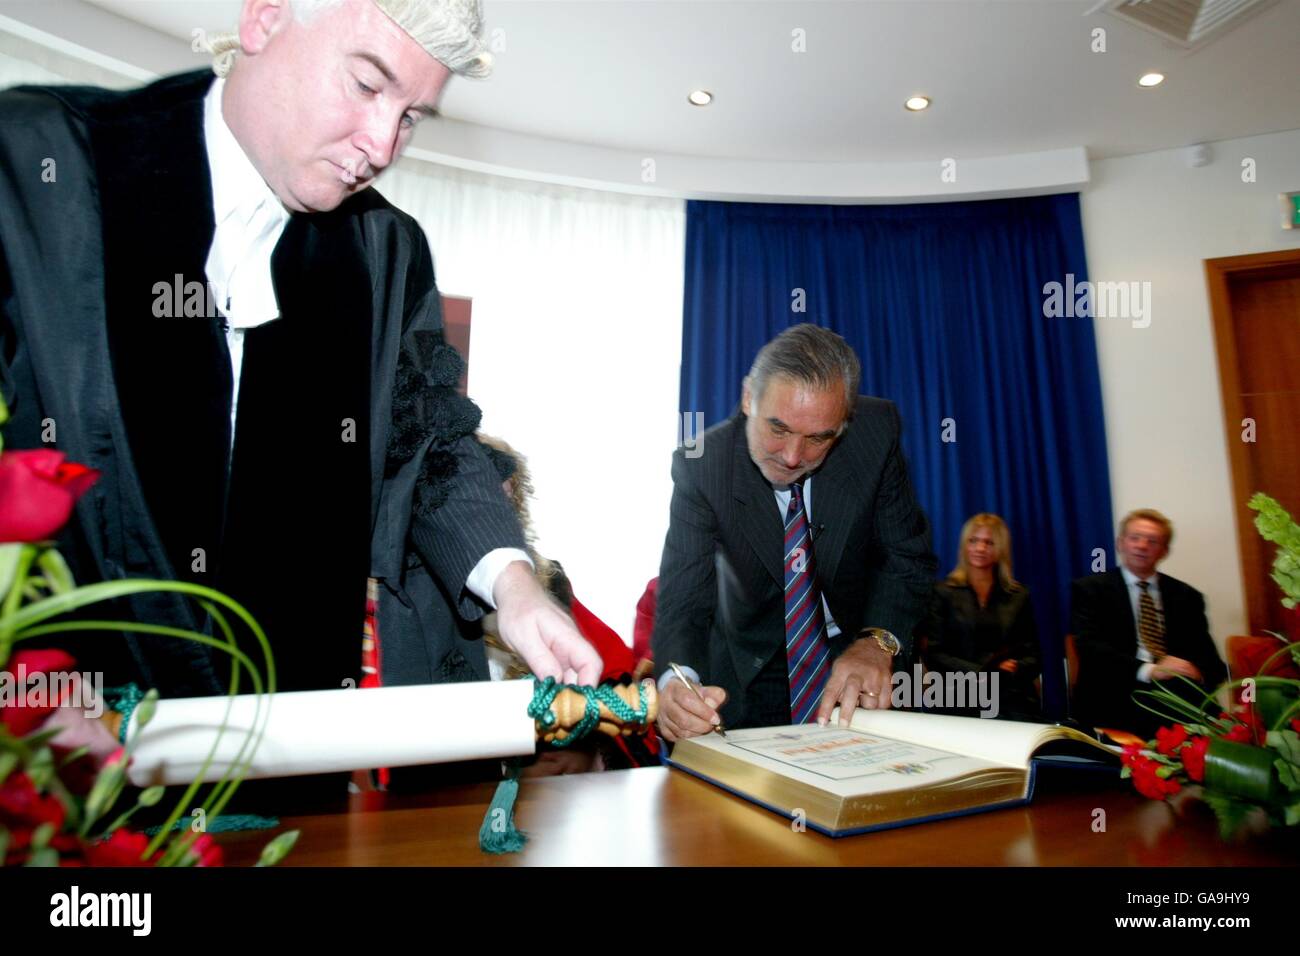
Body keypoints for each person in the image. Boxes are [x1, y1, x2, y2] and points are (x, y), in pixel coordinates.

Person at [0, 0, 599, 721]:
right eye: (368, 85)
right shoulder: (39, 166)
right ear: (264, 18)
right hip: (54, 761)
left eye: (410, 116)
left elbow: (431, 447)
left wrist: (515, 588)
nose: (381, 145)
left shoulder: (385, 252)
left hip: (290, 761)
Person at [651, 324, 936, 740]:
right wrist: (676, 680)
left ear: (843, 423)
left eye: (818, 437)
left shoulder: (877, 433)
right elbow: (684, 600)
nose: (791, 456)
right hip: (749, 667)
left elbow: (907, 557)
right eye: (778, 429)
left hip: (856, 658)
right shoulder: (702, 466)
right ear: (749, 397)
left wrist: (877, 643)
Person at [1070, 509, 1226, 737]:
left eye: (1153, 541)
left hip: (1177, 695)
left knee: (1222, 730)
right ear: (1120, 544)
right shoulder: (1091, 589)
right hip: (1116, 690)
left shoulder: (1187, 596)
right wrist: (1151, 670)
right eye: (1134, 538)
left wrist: (1196, 671)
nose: (1142, 546)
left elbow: (1211, 663)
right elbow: (1090, 649)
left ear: (1164, 551)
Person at [917, 513, 1040, 719]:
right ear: (964, 546)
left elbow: (1034, 657)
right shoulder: (942, 592)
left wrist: (1015, 667)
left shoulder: (1018, 596)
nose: (980, 548)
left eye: (989, 542)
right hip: (956, 696)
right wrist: (984, 672)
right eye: (973, 541)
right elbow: (934, 654)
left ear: (1001, 548)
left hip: (1009, 696)